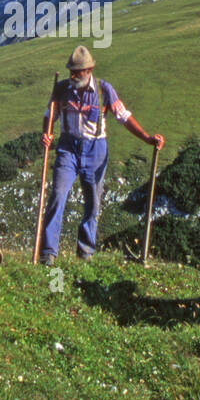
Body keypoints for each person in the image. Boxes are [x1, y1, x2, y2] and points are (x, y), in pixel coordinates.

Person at [37, 45, 164, 265]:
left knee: (93, 204)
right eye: (71, 71)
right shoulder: (61, 89)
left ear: (89, 70)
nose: (73, 76)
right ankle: (48, 254)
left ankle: (85, 253)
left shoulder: (104, 90)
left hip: (95, 149)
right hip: (68, 148)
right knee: (57, 195)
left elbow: (123, 117)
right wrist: (46, 134)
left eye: (77, 72)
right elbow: (50, 116)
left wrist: (147, 138)